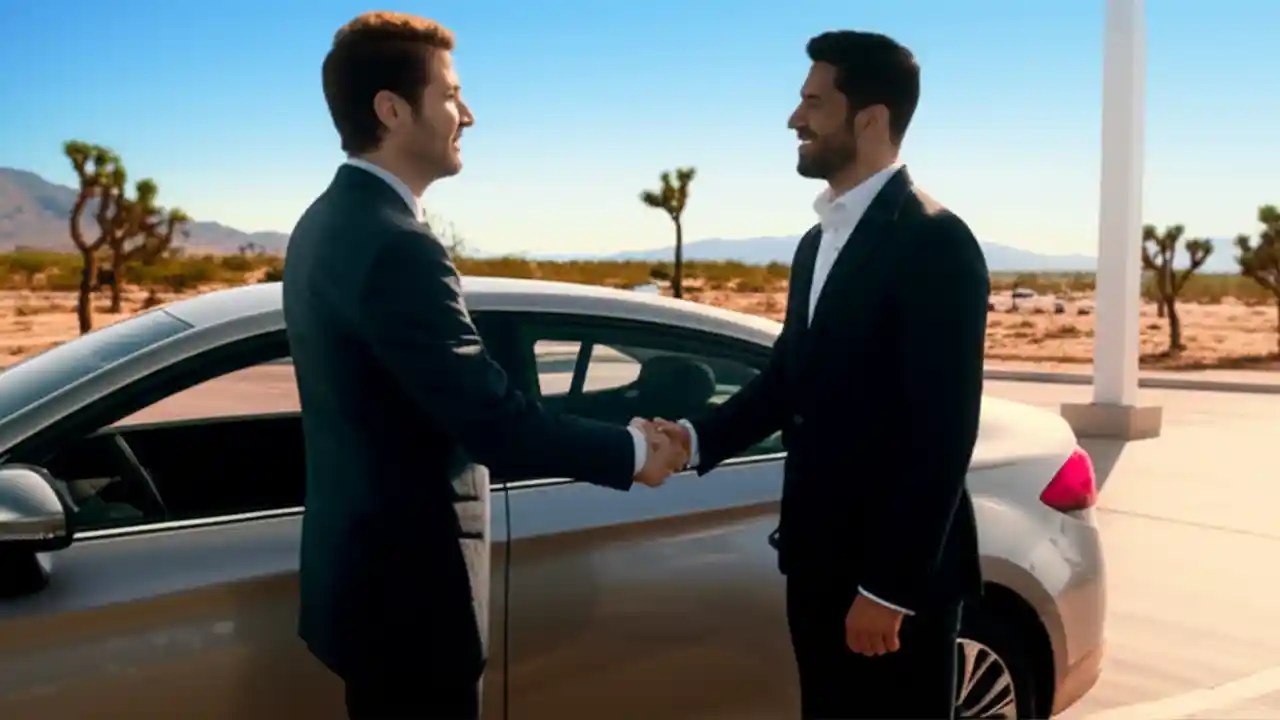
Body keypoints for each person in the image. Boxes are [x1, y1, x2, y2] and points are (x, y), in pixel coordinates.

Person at [282, 12, 687, 720]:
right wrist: (633, 452)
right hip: (413, 604)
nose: (467, 114)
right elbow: (492, 422)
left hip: (365, 587)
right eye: (450, 95)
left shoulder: (324, 223)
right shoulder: (397, 246)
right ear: (392, 109)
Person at [645, 30, 989, 719]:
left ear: (870, 119)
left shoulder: (936, 242)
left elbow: (944, 436)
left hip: (889, 590)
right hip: (816, 563)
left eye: (813, 102)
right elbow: (787, 381)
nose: (794, 119)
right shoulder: (817, 242)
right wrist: (693, 439)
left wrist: (889, 590)